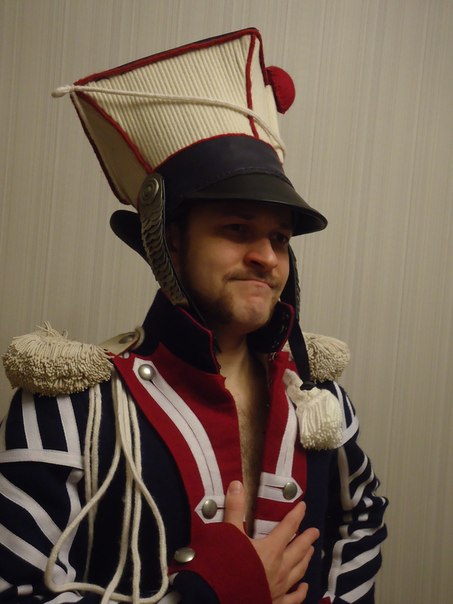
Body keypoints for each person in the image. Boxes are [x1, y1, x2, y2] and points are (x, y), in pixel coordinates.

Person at [0, 28, 387, 604]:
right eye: (236, 228)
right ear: (170, 241)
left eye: (279, 238)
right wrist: (210, 596)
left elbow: (365, 517)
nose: (266, 257)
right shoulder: (69, 408)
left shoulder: (322, 400)